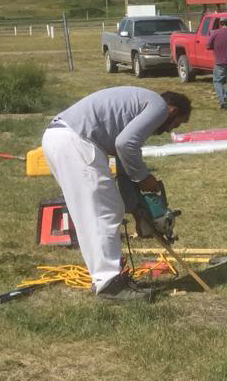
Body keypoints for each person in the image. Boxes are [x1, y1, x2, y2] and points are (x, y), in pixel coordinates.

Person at [41, 87, 191, 301]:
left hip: (59, 137)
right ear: (172, 110)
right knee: (103, 212)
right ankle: (109, 283)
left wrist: (138, 213)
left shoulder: (138, 108)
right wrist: (144, 178)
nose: (170, 129)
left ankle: (105, 279)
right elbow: (125, 145)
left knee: (93, 213)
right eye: (176, 124)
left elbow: (123, 164)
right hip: (75, 141)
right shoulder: (157, 106)